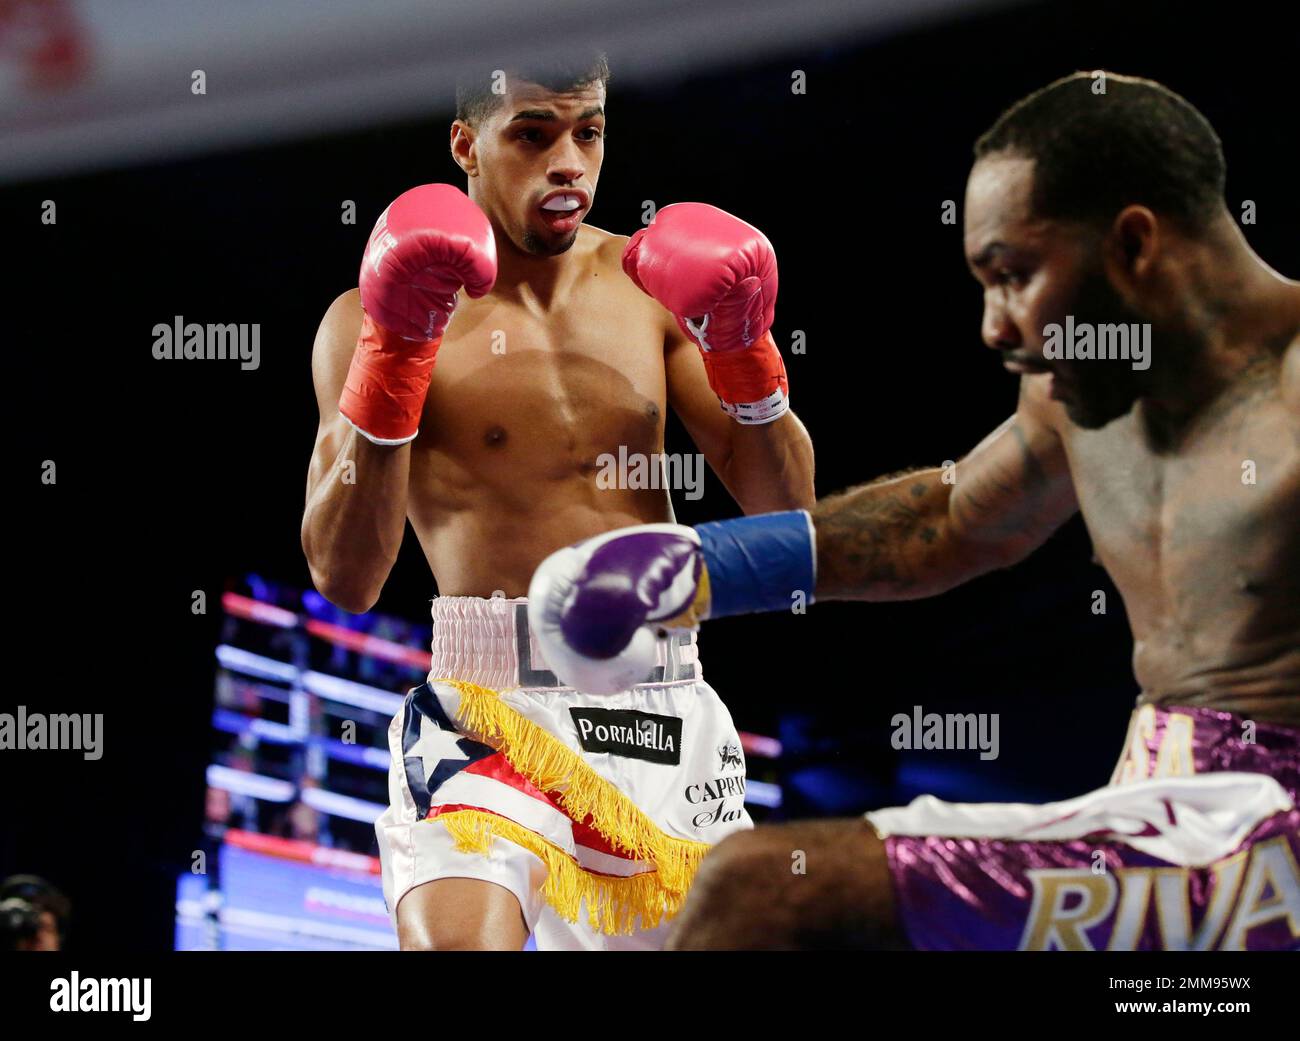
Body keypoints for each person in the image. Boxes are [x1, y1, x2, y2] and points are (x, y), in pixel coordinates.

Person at [527, 71, 1300, 950]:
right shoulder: (1089, 391)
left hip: (1278, 842)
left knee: (763, 894)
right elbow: (957, 520)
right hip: (1162, 807)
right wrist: (703, 564)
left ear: (1133, 243)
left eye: (1013, 276)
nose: (994, 327)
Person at [301, 52, 815, 949]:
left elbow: (791, 519)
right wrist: (395, 359)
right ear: (466, 143)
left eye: (589, 132)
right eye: (533, 135)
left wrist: (747, 354)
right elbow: (344, 575)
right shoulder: (366, 318)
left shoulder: (654, 290)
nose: (569, 162)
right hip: (487, 702)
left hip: (659, 695)